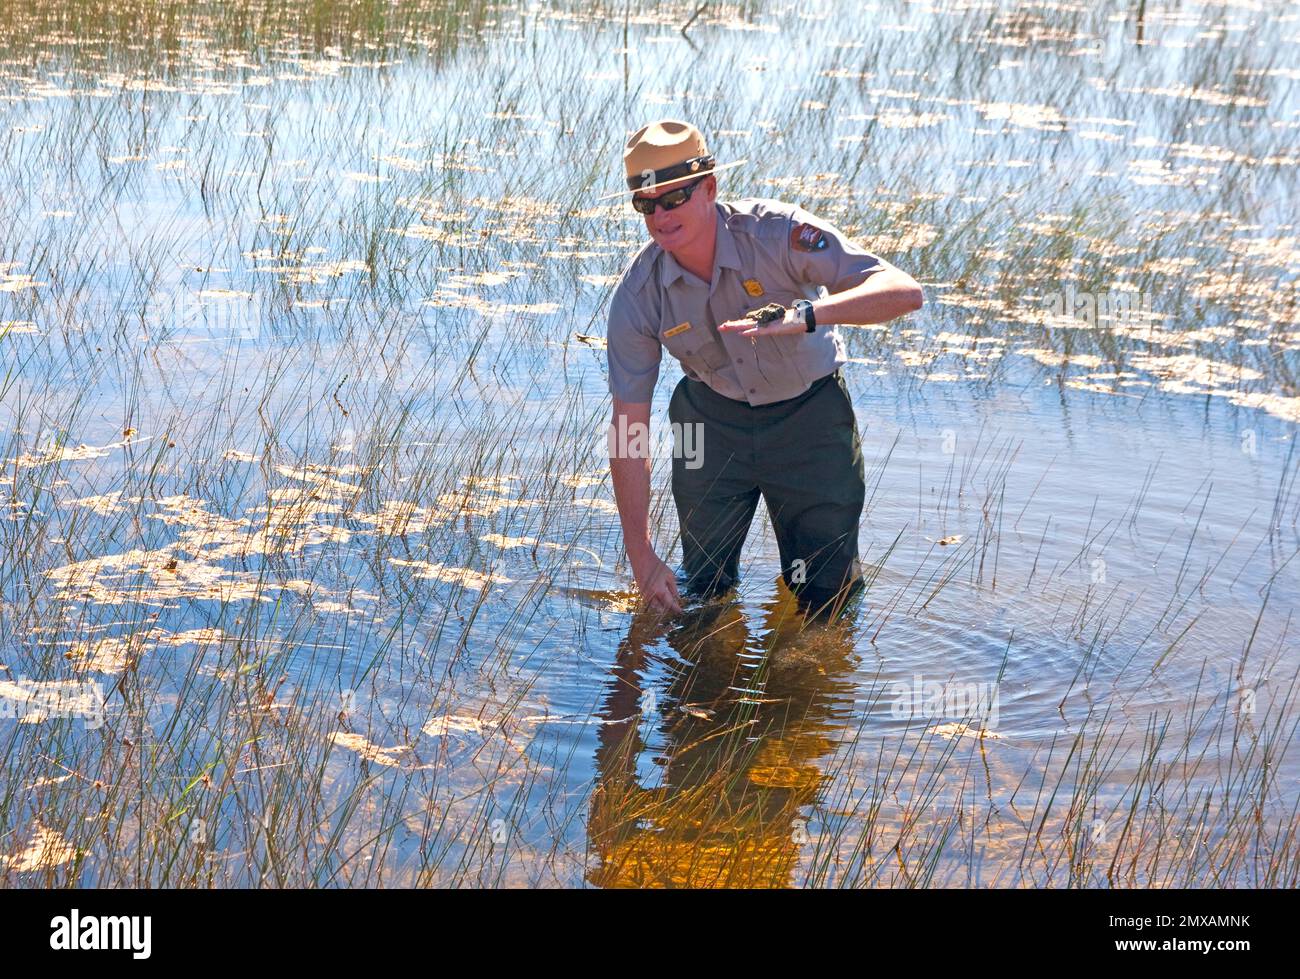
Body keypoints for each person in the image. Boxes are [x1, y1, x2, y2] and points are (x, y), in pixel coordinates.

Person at [604, 119, 923, 617]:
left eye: (674, 198)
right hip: (707, 423)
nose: (661, 216)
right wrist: (641, 555)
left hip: (810, 418)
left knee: (827, 593)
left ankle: (807, 668)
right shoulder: (637, 295)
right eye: (646, 204)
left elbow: (904, 292)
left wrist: (808, 316)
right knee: (702, 592)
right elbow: (628, 428)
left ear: (709, 188)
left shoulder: (778, 233)